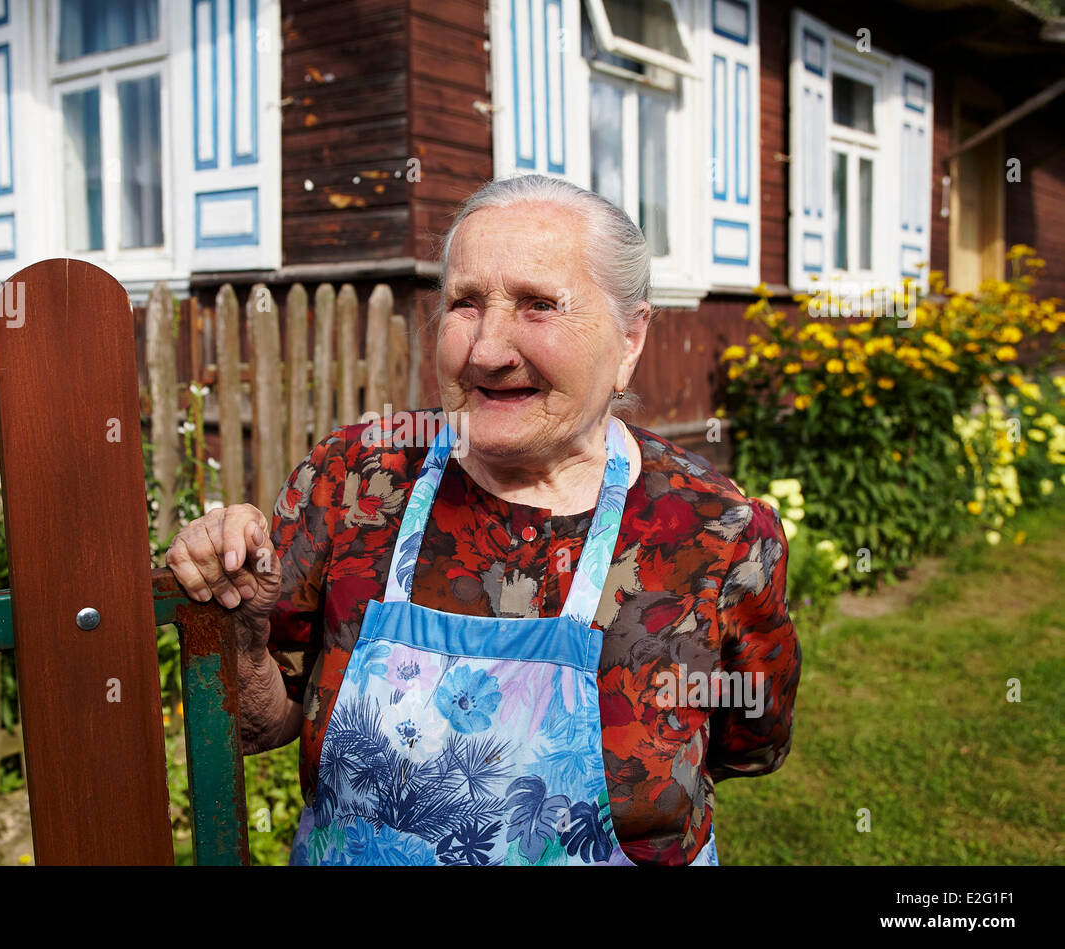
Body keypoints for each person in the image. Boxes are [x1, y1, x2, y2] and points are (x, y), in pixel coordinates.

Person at [165, 173, 801, 866]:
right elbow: (261, 723)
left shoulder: (714, 531)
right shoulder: (355, 481)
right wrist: (243, 636)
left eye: (538, 305)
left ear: (629, 338)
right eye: (466, 303)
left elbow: (750, 741)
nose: (487, 350)